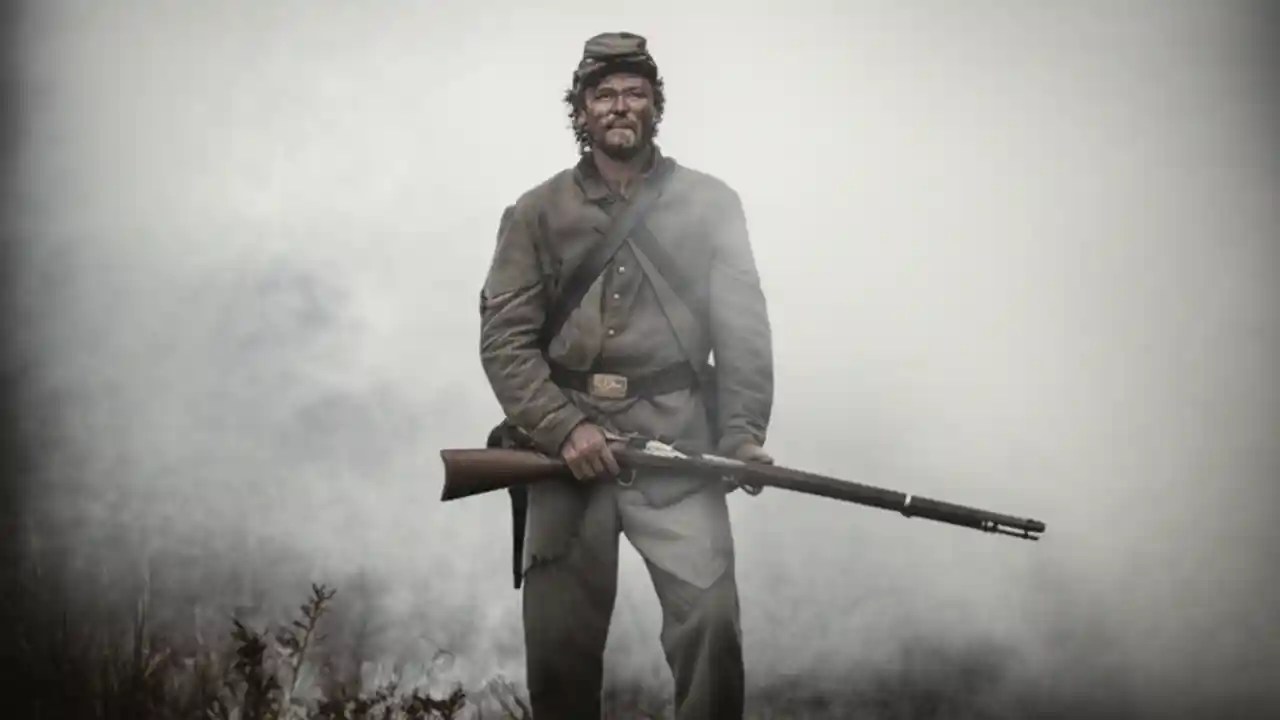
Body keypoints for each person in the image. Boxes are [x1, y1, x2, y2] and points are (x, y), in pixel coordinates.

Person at [478, 30, 774, 720]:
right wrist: (562, 428)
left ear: (655, 106)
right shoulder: (535, 211)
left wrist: (741, 434)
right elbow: (505, 341)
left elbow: (744, 335)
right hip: (562, 455)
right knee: (559, 652)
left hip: (677, 443)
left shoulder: (712, 203)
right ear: (580, 112)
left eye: (634, 93)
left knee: (711, 626)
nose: (619, 106)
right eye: (603, 94)